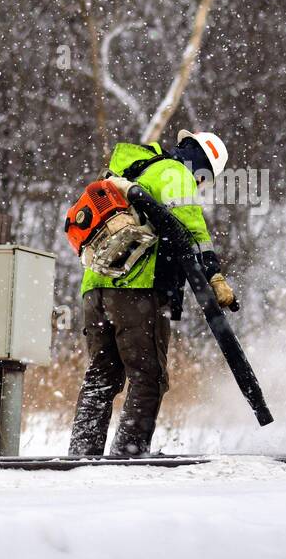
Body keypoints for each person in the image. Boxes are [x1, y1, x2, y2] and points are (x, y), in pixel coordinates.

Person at [68, 130, 236, 457]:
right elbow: (192, 232)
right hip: (137, 290)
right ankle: (128, 457)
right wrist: (214, 275)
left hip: (95, 289)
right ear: (203, 168)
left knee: (102, 377)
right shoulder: (175, 173)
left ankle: (80, 456)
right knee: (149, 377)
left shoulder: (128, 170)